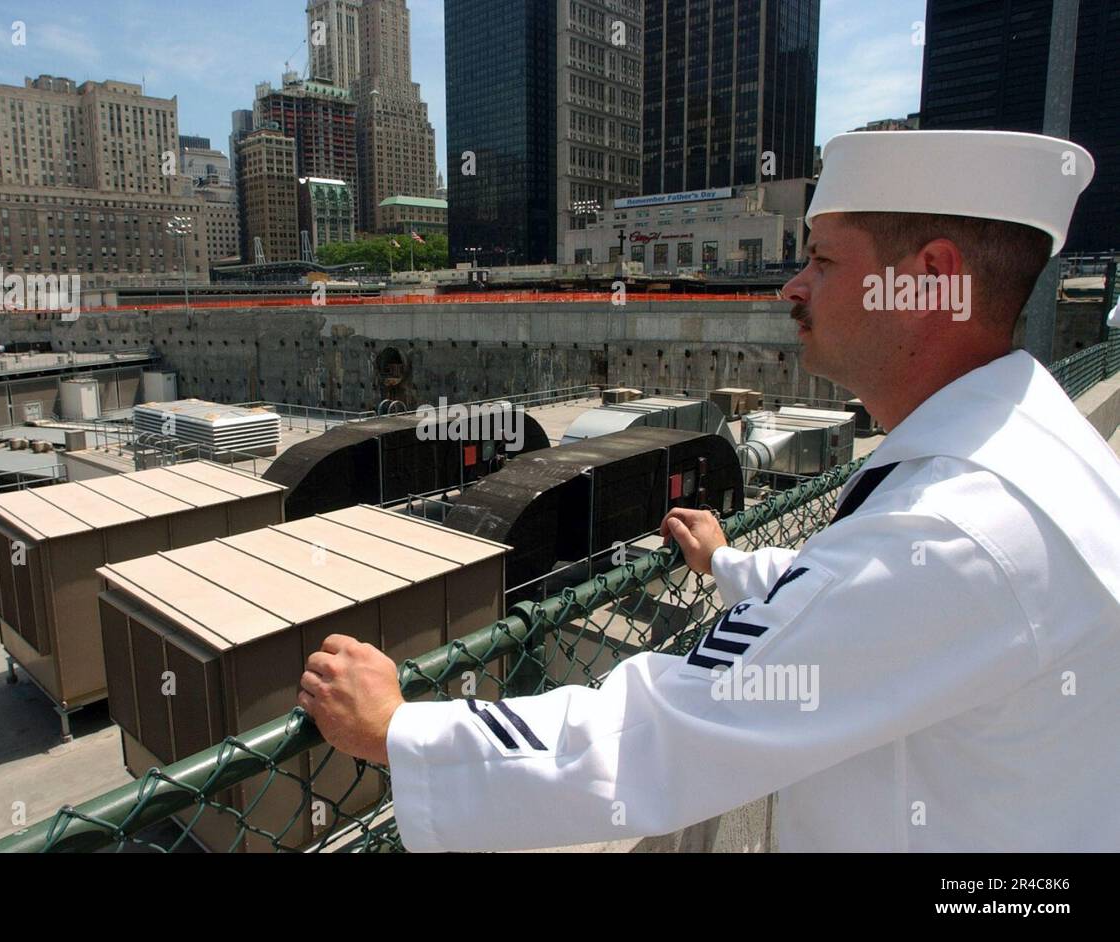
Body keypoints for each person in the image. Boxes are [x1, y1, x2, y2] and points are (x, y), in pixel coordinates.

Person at [298, 130, 1120, 852]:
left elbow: (672, 730)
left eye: (824, 261)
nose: (793, 287)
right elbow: (861, 603)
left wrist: (406, 731)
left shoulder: (956, 530)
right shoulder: (1026, 454)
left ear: (929, 281)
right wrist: (733, 566)